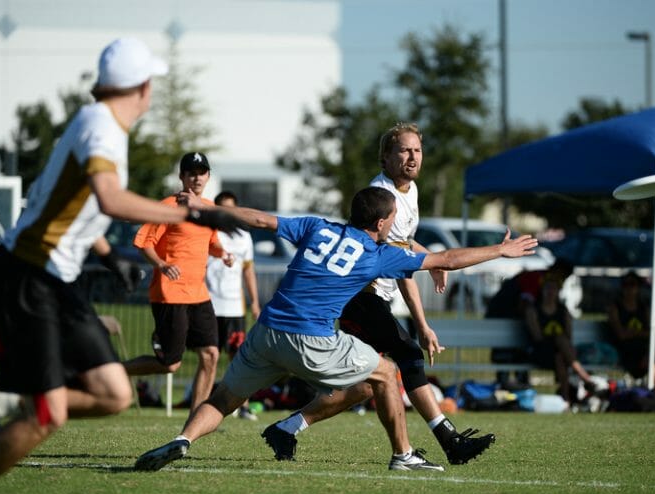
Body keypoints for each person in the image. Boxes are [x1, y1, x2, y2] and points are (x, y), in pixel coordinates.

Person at [0, 37, 245, 494]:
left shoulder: (101, 127)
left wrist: (108, 254)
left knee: (113, 394)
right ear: (142, 87)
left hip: (51, 278)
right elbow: (108, 198)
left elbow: (75, 207)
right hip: (25, 275)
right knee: (50, 413)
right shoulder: (102, 128)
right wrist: (193, 217)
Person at [133, 186, 538, 473]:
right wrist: (500, 251)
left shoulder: (314, 226)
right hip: (311, 339)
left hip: (267, 331)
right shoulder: (377, 256)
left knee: (224, 398)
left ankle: (184, 439)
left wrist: (202, 205)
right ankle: (404, 455)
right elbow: (446, 260)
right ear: (380, 223)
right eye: (392, 220)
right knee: (385, 372)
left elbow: (257, 218)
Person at [262, 122, 492, 466]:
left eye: (416, 150)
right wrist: (423, 323)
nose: (412, 157)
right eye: (403, 150)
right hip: (360, 296)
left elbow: (401, 243)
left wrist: (428, 256)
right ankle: (449, 441)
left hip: (372, 298)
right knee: (409, 352)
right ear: (385, 157)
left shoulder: (409, 191)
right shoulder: (382, 194)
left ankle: (288, 427)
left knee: (369, 384)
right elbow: (399, 268)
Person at [122, 152, 232, 412]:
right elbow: (143, 242)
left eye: (201, 172)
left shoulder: (207, 209)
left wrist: (223, 253)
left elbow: (211, 241)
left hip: (199, 293)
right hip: (170, 293)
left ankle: (196, 419)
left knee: (211, 355)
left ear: (208, 177)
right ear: (181, 176)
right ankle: (113, 370)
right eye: (191, 172)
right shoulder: (169, 206)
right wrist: (161, 264)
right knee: (170, 364)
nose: (196, 177)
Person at [206, 190, 261, 420]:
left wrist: (254, 301)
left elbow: (248, 271)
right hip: (208, 303)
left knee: (238, 357)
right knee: (209, 356)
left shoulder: (243, 237)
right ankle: (203, 404)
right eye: (222, 208)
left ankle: (244, 406)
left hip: (234, 306)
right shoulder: (208, 232)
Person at [485, 258, 575, 387]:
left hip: (512, 319)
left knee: (520, 353)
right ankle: (503, 386)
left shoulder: (546, 282)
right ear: (558, 271)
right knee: (506, 354)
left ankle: (520, 386)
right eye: (564, 276)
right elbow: (525, 305)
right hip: (501, 314)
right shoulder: (536, 278)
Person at [523, 273, 593, 405]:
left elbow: (569, 337)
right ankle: (585, 377)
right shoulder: (533, 310)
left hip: (562, 354)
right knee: (560, 341)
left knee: (560, 356)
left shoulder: (563, 311)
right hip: (540, 352)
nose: (550, 291)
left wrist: (560, 342)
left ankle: (566, 400)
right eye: (548, 288)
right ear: (542, 290)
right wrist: (557, 340)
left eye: (554, 288)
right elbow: (538, 337)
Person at [606, 271, 655, 396]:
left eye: (632, 284)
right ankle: (652, 396)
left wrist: (632, 332)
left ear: (638, 287)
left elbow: (652, 333)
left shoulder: (643, 308)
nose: (629, 288)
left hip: (644, 350)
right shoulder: (615, 307)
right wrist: (640, 333)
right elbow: (621, 334)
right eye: (626, 284)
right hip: (625, 350)